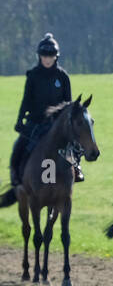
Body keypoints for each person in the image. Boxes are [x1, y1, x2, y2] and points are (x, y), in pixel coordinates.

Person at [11, 33, 76, 186]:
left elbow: (69, 105)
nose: (47, 59)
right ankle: (16, 175)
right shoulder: (33, 76)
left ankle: (76, 171)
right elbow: (26, 100)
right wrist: (20, 121)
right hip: (35, 122)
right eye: (44, 56)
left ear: (56, 57)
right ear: (39, 57)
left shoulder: (63, 77)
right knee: (19, 146)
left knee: (73, 147)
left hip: (56, 125)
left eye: (50, 55)